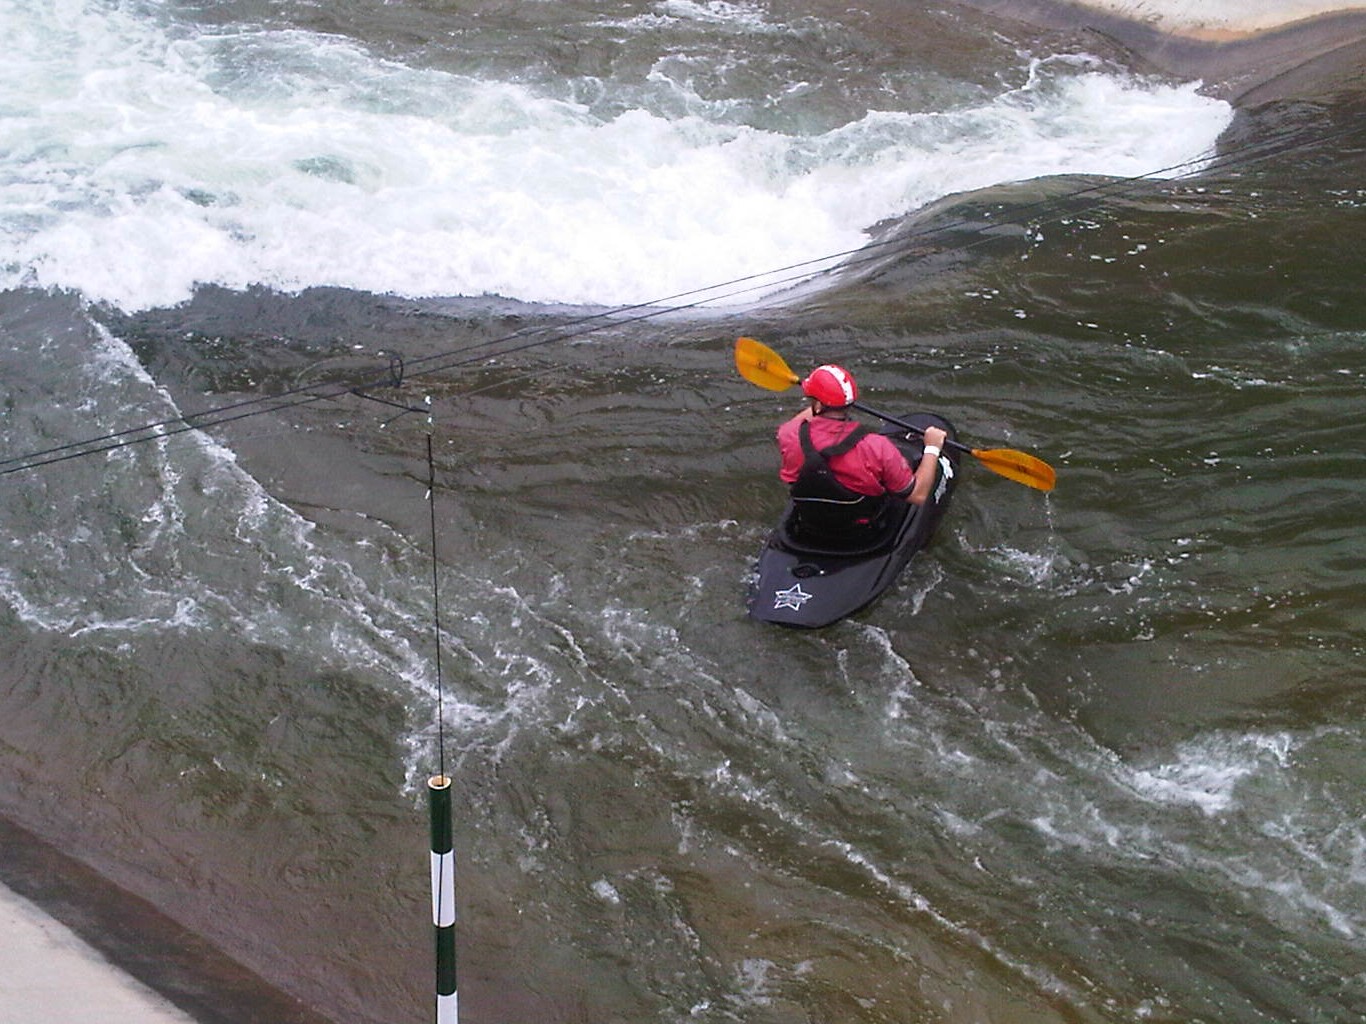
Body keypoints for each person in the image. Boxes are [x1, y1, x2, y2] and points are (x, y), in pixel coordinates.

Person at [776, 363, 947, 536]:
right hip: (860, 531)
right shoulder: (876, 447)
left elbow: (801, 422)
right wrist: (932, 447)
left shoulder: (787, 434)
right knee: (906, 463)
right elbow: (917, 496)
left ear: (818, 405)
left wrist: (821, 400)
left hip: (811, 524)